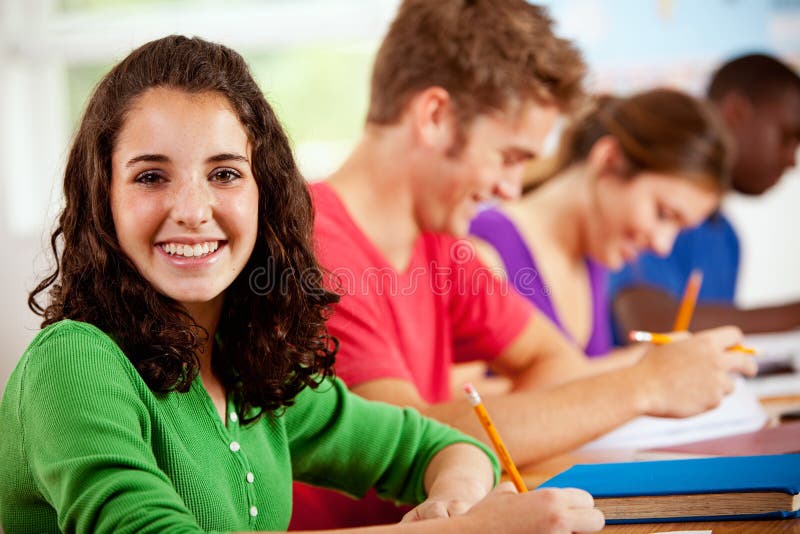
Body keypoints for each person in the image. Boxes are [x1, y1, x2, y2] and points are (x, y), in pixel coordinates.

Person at [0, 35, 606, 534]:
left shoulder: (251, 369)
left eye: (225, 173)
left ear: (264, 194)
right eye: (151, 176)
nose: (191, 208)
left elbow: (445, 446)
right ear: (102, 201)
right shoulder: (73, 363)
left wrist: (454, 499)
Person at [296, 0, 756, 529]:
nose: (511, 189)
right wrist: (643, 386)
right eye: (510, 156)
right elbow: (414, 442)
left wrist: (486, 423)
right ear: (435, 116)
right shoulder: (316, 252)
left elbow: (554, 361)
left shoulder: (439, 244)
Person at [469, 88, 731, 357]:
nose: (663, 245)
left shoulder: (594, 255)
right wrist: (643, 374)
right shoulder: (479, 247)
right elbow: (460, 394)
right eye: (663, 214)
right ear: (609, 159)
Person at [610, 54, 800, 338]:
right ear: (736, 113)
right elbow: (648, 325)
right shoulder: (646, 216)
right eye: (786, 137)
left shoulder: (726, 238)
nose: (791, 160)